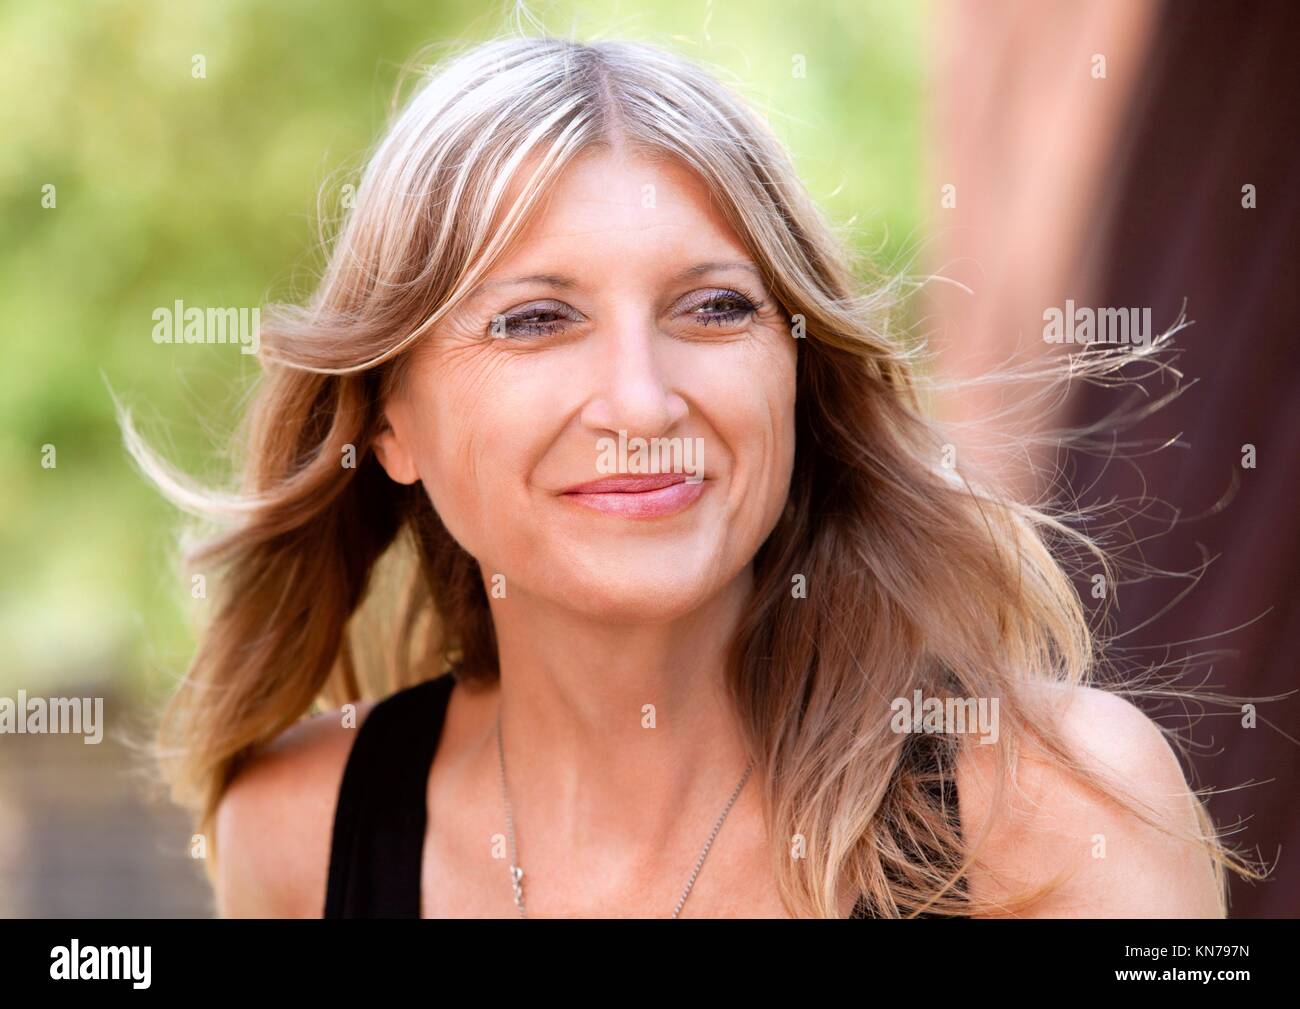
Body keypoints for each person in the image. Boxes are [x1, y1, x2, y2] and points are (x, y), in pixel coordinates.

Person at [124, 33, 1250, 918]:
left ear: (797, 380)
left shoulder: (1059, 810)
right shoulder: (297, 833)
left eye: (714, 308)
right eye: (534, 320)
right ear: (390, 424)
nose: (641, 400)